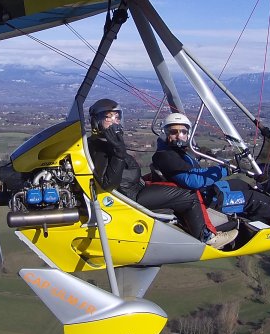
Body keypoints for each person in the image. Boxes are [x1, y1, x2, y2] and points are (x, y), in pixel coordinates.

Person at [86, 99, 238, 249]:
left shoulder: (106, 142)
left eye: (117, 117)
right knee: (188, 195)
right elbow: (108, 184)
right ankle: (208, 237)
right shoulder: (101, 147)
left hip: (135, 188)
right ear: (97, 121)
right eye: (108, 117)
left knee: (172, 185)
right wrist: (118, 153)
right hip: (132, 196)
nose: (114, 122)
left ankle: (190, 222)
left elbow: (123, 174)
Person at [151, 113, 270, 226]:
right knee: (254, 200)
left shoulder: (177, 153)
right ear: (166, 133)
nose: (179, 136)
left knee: (240, 184)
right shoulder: (166, 156)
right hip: (205, 202)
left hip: (206, 192)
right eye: (174, 132)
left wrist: (226, 163)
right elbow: (193, 181)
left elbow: (194, 170)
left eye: (183, 132)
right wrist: (225, 170)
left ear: (188, 134)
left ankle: (268, 207)